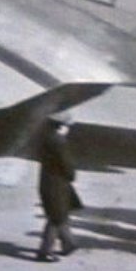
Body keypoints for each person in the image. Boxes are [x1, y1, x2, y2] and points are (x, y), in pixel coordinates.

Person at [36, 112, 81, 262]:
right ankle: (46, 251)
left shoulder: (47, 139)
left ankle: (69, 243)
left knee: (60, 215)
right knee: (56, 218)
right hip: (57, 185)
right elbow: (67, 165)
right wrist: (72, 175)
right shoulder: (59, 142)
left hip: (49, 183)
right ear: (61, 127)